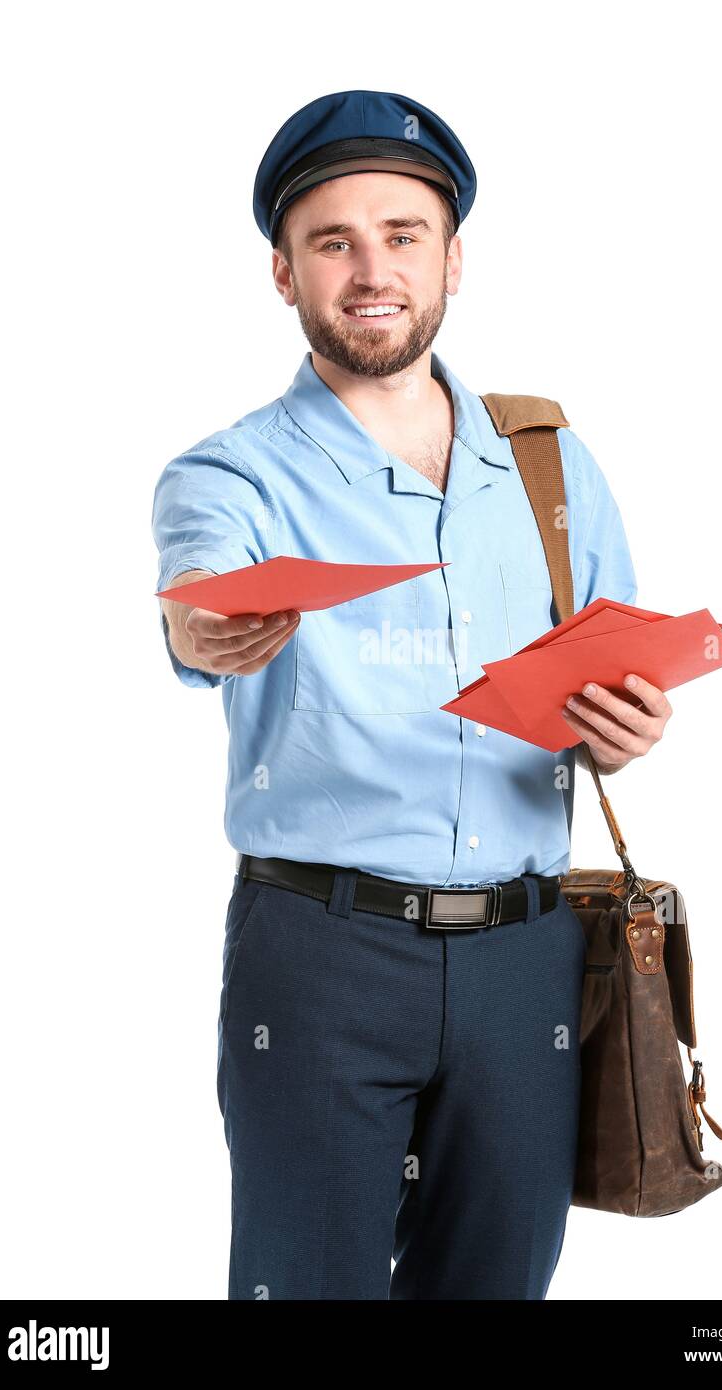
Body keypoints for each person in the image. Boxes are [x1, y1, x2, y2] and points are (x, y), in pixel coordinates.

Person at [151, 89, 673, 1301]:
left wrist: (633, 723)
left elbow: (613, 668)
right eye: (332, 241)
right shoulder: (228, 474)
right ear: (284, 273)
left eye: (402, 234)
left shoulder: (544, 455)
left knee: (497, 1286)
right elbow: (197, 595)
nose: (370, 269)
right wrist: (206, 624)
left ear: (452, 259)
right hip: (320, 955)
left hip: (527, 959)